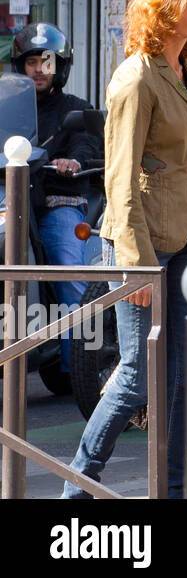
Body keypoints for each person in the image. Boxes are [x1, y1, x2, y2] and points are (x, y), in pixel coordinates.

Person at [63, 0, 187, 498]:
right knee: (137, 376)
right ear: (165, 7)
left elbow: (177, 164)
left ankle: (173, 489)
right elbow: (120, 176)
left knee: (174, 378)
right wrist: (134, 266)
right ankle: (77, 487)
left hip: (179, 241)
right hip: (138, 246)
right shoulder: (135, 76)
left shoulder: (181, 71)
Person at [10, 22, 101, 371]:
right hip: (12, 205)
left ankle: (82, 368)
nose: (38, 69)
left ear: (59, 66)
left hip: (55, 204)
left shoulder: (74, 108)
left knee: (68, 270)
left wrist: (72, 160)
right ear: (21, 66)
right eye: (32, 62)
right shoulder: (7, 108)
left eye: (46, 61)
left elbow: (85, 144)